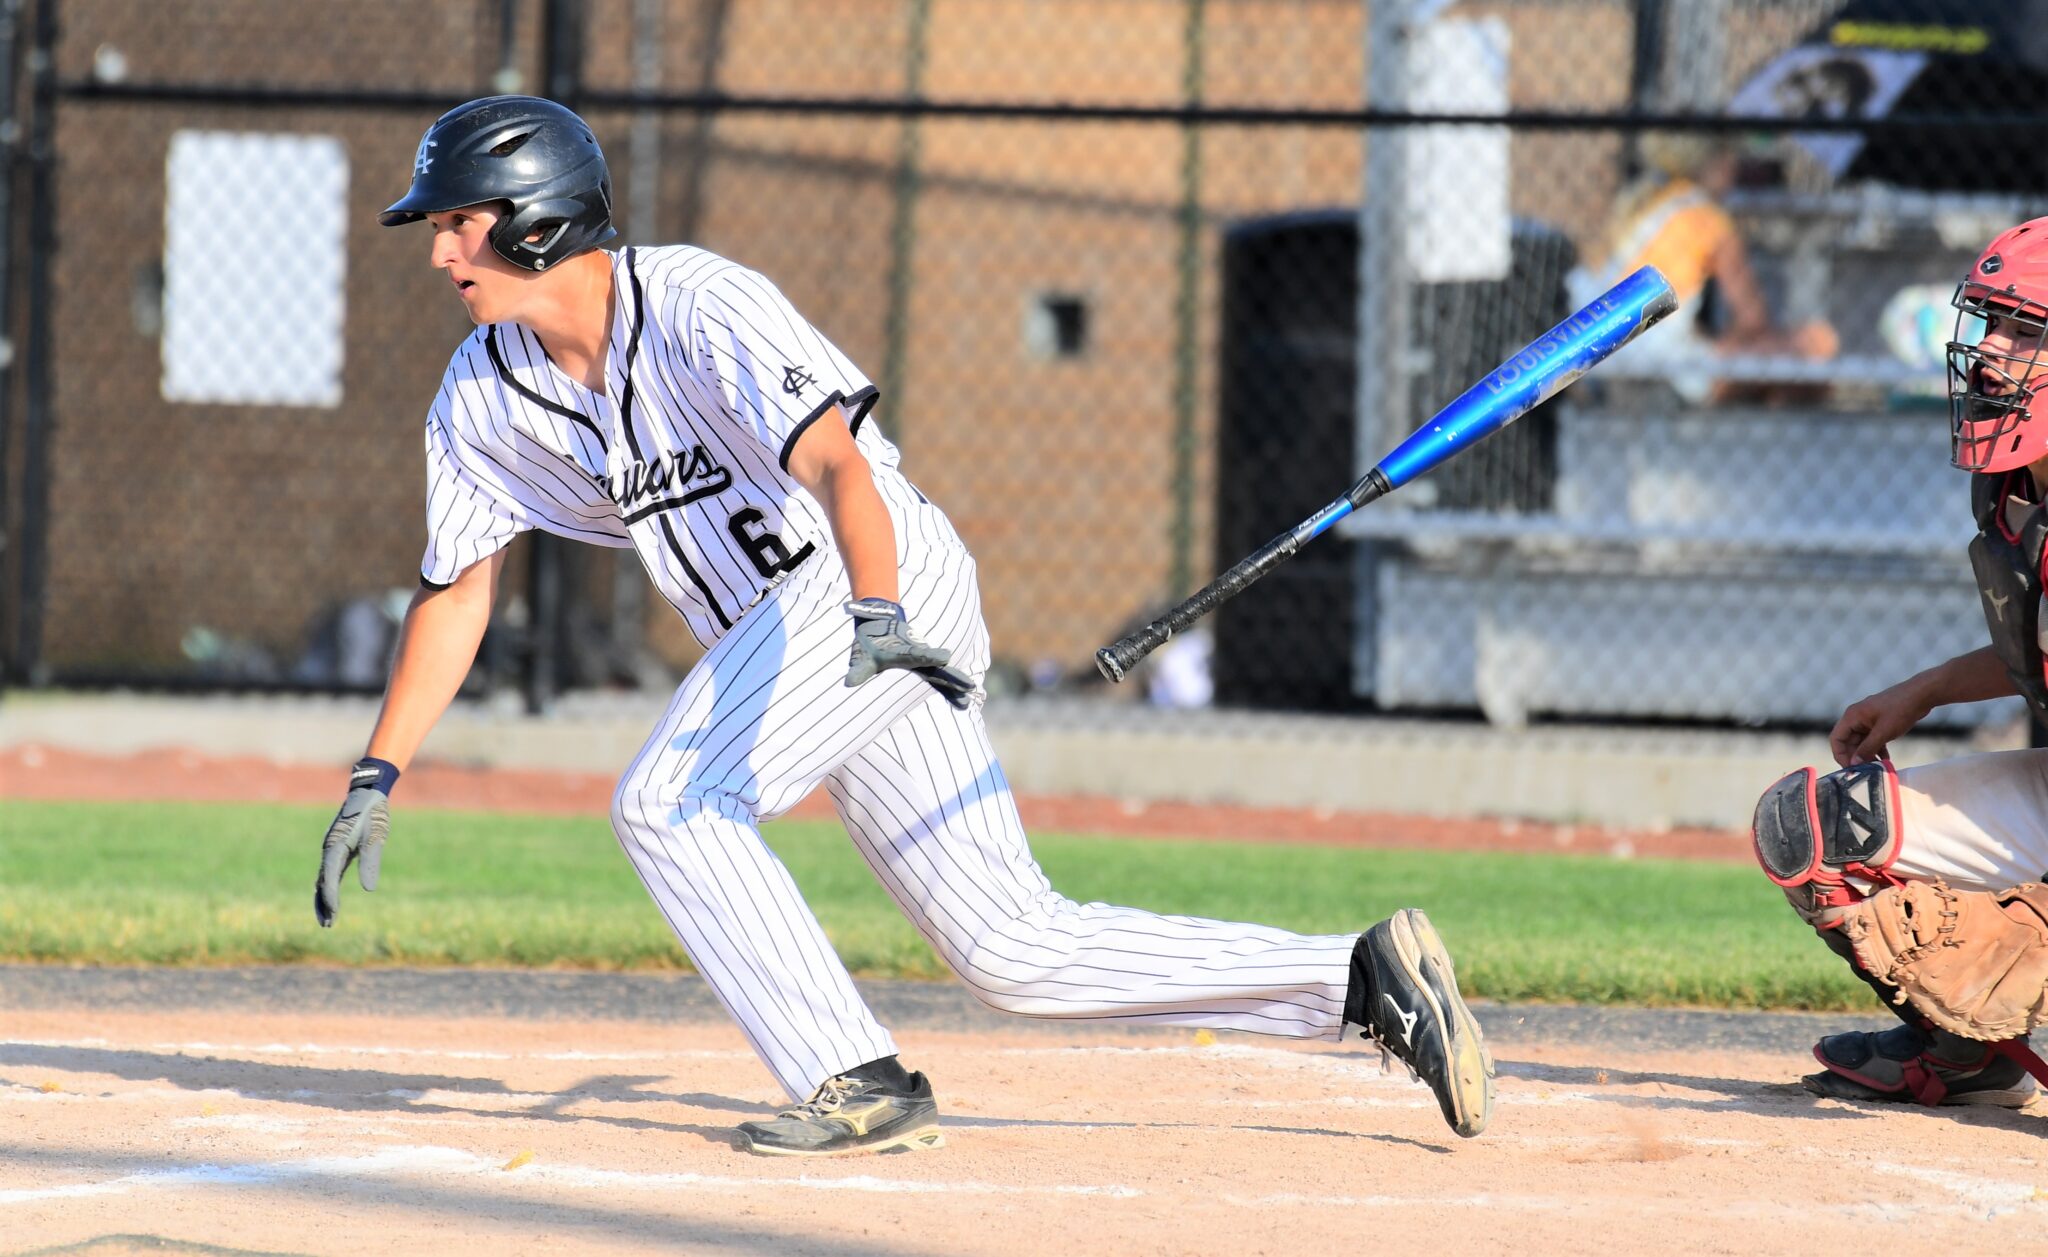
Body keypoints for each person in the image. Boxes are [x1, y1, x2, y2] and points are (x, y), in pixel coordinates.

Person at [311, 95, 1495, 1156]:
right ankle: (1358, 981)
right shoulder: (482, 394)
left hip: (874, 588)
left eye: (460, 221)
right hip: (782, 642)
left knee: (668, 803)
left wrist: (874, 613)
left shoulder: (697, 303)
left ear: (536, 219)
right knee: (1010, 951)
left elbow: (837, 466)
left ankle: (854, 1078)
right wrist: (378, 769)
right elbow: (457, 588)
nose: (441, 251)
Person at [1749, 215, 2048, 1109]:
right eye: (1990, 323)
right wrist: (1919, 692)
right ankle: (1966, 1053)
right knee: (1817, 826)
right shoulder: (2015, 488)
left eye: (2025, 331)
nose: (1992, 352)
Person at [1577, 131, 1837, 404]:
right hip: (1669, 367)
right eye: (1730, 157)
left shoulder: (1652, 201)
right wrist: (1730, 343)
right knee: (1819, 341)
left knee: (1736, 349)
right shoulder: (1709, 220)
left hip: (1602, 350)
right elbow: (1754, 319)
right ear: (1716, 163)